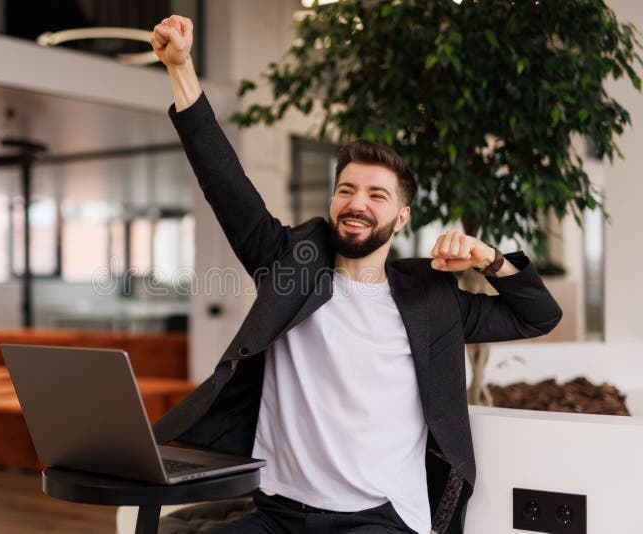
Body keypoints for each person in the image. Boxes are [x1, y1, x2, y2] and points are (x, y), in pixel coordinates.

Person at [148, 15, 562, 534]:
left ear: (402, 217)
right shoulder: (288, 266)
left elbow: (537, 317)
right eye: (346, 190)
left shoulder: (430, 299)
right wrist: (181, 68)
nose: (356, 203)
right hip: (278, 513)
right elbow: (223, 181)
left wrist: (490, 259)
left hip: (377, 520)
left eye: (376, 195)